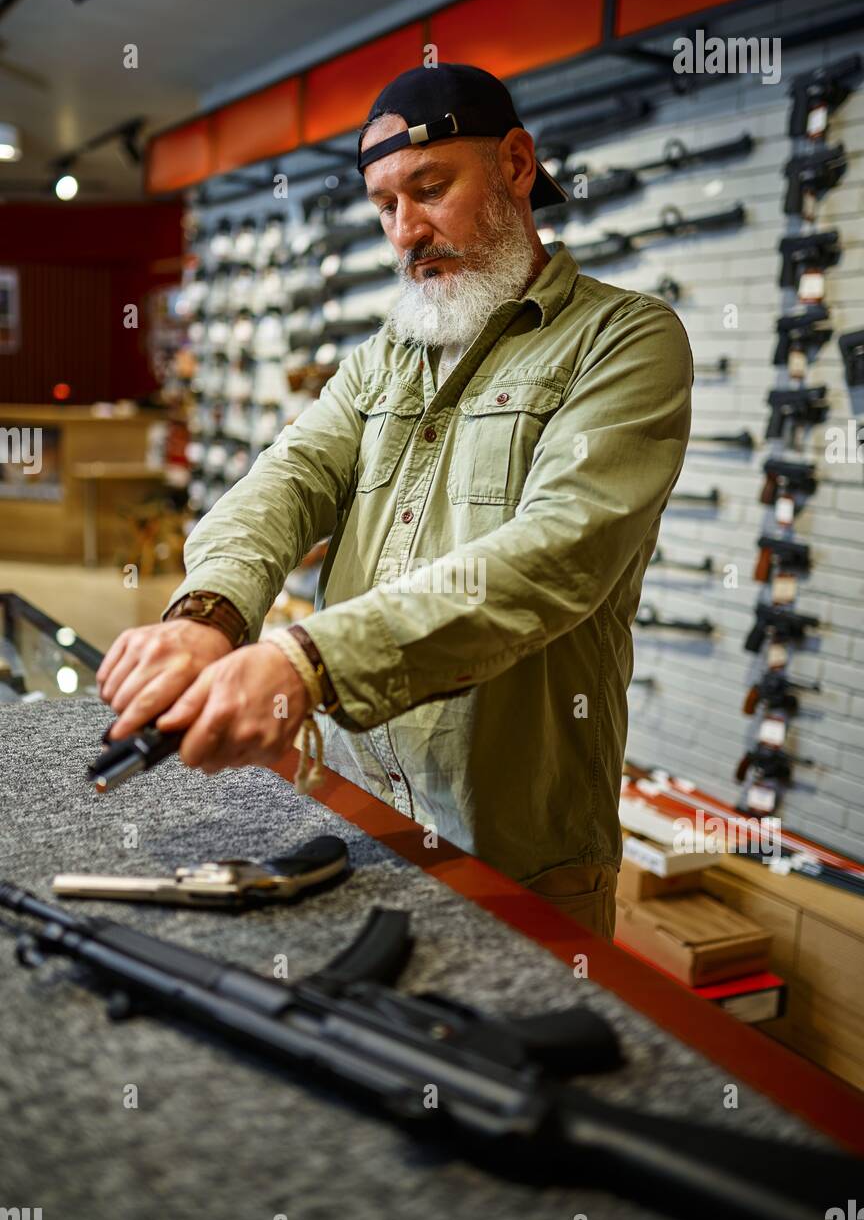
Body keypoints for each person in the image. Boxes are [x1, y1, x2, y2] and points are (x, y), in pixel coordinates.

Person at [97, 63, 693, 942]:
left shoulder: (626, 341)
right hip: (349, 813)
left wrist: (307, 664)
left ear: (518, 165)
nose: (406, 232)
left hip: (515, 852)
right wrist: (211, 612)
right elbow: (290, 476)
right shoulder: (391, 354)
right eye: (385, 206)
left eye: (431, 187)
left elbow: (557, 554)